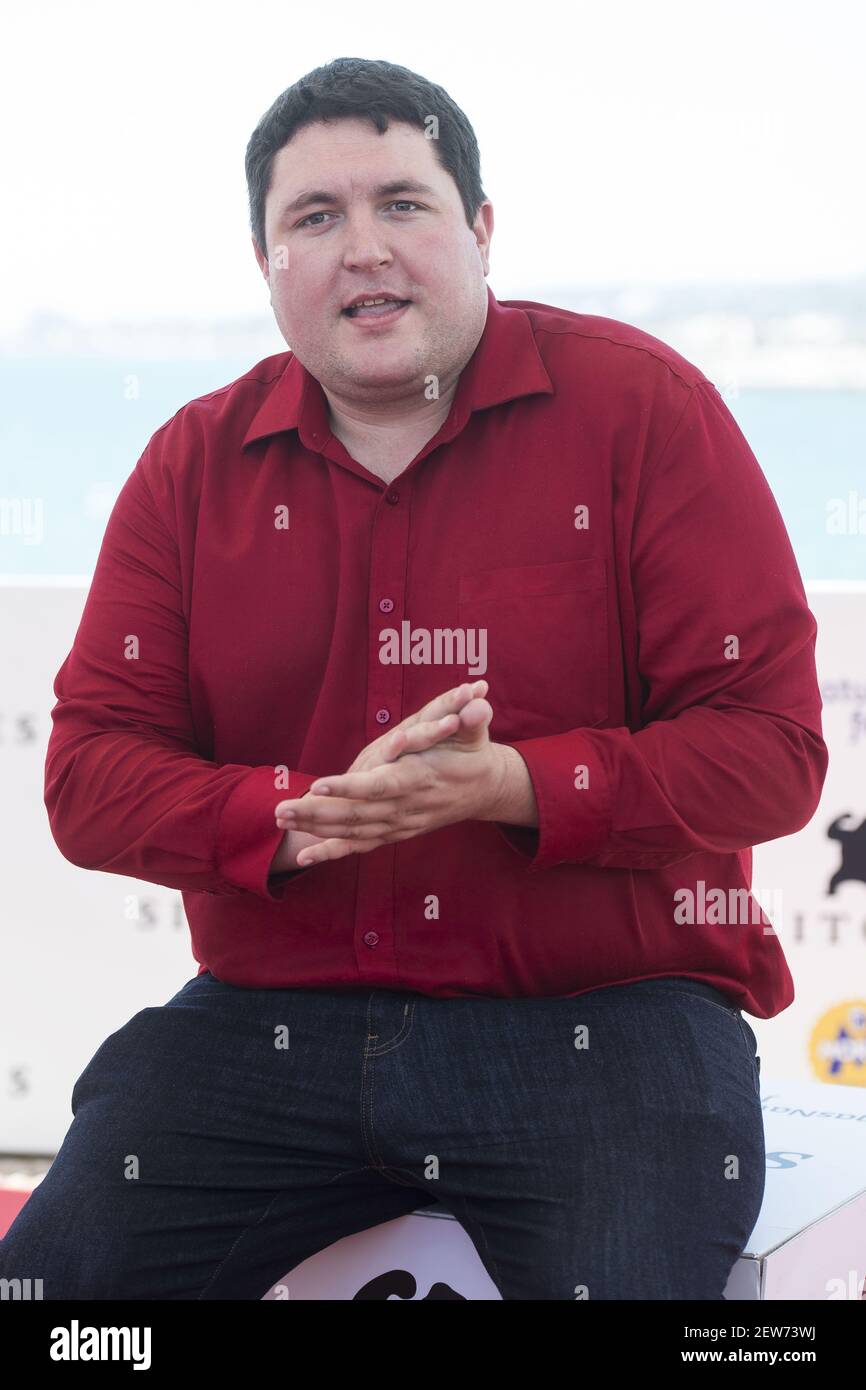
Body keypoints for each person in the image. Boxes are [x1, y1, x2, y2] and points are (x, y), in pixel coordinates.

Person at [0, 56, 827, 1300]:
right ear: (266, 263)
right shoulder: (190, 465)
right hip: (274, 1026)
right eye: (314, 218)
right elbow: (88, 776)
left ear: (481, 230)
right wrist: (297, 811)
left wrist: (512, 785)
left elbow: (770, 748)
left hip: (604, 1021)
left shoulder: (643, 410)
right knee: (57, 1298)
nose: (363, 248)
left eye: (402, 203)